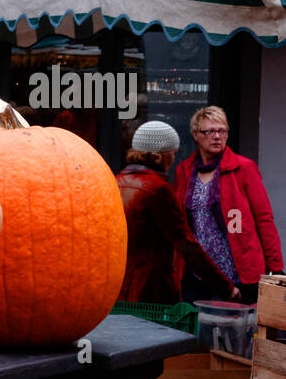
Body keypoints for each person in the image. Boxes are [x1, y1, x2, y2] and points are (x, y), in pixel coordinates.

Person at [116, 121, 238, 304]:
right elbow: (187, 245)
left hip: (116, 286)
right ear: (163, 155)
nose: (174, 159)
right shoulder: (158, 190)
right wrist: (226, 288)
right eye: (173, 153)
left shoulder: (116, 182)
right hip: (148, 293)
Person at [173, 106, 283, 305]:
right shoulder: (184, 171)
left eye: (222, 131)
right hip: (199, 272)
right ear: (196, 135)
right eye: (210, 131)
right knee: (196, 331)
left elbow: (264, 218)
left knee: (237, 332)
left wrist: (276, 269)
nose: (217, 136)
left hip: (238, 271)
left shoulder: (244, 168)